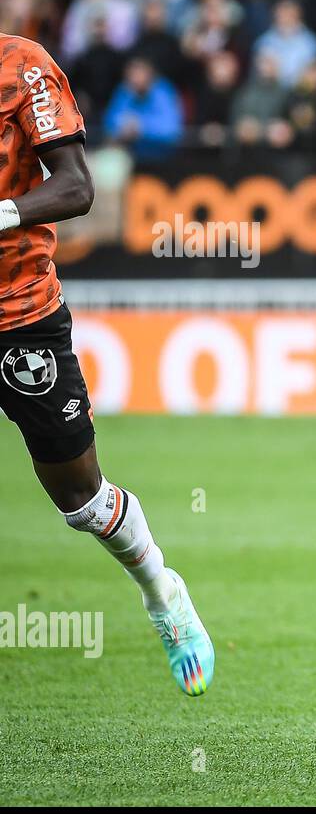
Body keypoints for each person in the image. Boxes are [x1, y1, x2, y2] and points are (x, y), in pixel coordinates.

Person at [0, 34, 213, 695]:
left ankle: (160, 587)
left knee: (81, 498)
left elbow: (76, 186)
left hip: (17, 311)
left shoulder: (22, 67)